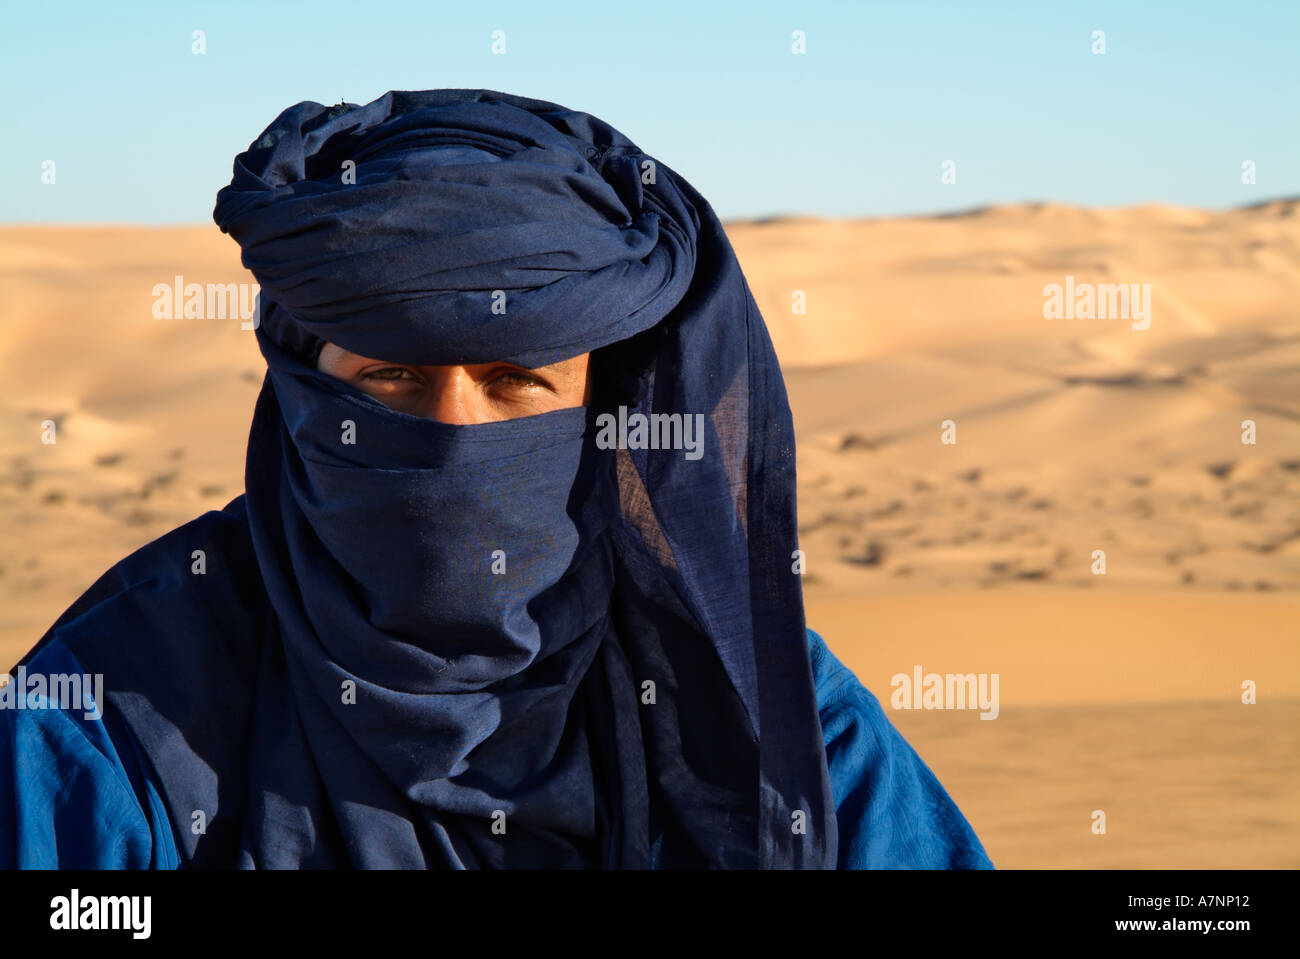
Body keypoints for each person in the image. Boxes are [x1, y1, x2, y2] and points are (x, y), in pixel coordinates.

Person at [0, 89, 992, 870]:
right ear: (304, 383)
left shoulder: (757, 705)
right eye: (389, 376)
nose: (450, 435)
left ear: (606, 413)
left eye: (517, 381)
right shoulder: (110, 706)